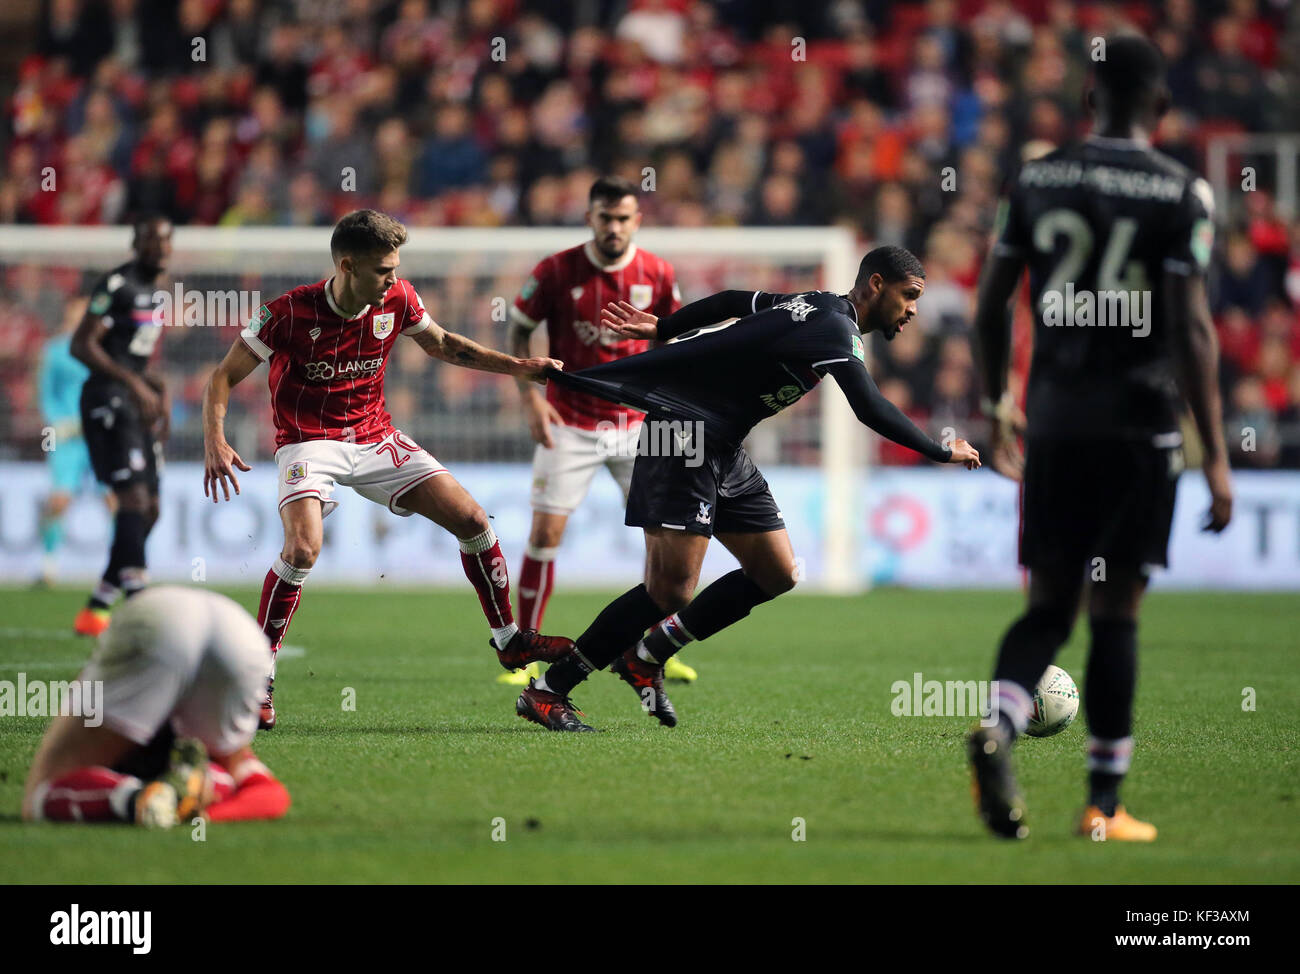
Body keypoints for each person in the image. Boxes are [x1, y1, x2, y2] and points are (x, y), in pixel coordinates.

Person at [513, 246, 981, 731]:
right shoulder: (834, 328)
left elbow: (735, 300)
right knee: (669, 590)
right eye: (909, 296)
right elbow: (869, 407)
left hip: (722, 445)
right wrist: (941, 450)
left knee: (775, 572)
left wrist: (663, 327)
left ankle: (646, 655)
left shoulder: (817, 303)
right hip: (681, 433)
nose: (912, 311)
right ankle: (550, 690)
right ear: (877, 284)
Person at [968, 35, 1233, 842]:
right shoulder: (1183, 192)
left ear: (1088, 100)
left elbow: (989, 306)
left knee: (1048, 606)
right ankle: (1102, 806)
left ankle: (999, 728)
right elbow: (1190, 327)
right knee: (1117, 612)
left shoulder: (1038, 180)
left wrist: (997, 401)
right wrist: (1215, 453)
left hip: (1053, 424)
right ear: (1160, 109)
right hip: (1139, 429)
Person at [202, 209, 574, 730]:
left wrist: (518, 367)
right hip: (308, 442)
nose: (393, 279)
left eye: (396, 268)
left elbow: (443, 345)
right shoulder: (287, 313)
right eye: (383, 270)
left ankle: (509, 640)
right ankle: (256, 676)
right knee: (303, 550)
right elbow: (221, 378)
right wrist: (215, 438)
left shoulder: (398, 299)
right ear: (348, 266)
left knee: (472, 520)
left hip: (376, 437)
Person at [502, 175, 695, 686]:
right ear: (590, 218)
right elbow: (518, 327)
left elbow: (675, 338)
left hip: (638, 425)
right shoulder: (556, 270)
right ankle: (524, 652)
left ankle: (653, 651)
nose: (614, 226)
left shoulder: (657, 272)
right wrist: (530, 397)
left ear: (637, 220)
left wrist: (668, 406)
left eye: (623, 217)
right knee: (545, 535)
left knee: (664, 538)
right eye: (605, 217)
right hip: (568, 418)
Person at [23, 586, 290, 827]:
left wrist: (142, 798)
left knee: (40, 793)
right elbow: (272, 795)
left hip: (162, 615)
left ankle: (134, 798)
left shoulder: (142, 736)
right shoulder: (193, 742)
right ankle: (204, 783)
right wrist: (203, 816)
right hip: (241, 634)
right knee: (235, 777)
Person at [70, 215, 173, 636]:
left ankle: (98, 605)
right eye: (152, 239)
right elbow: (82, 344)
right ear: (136, 243)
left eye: (166, 240)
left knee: (150, 510)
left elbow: (133, 361)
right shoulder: (117, 285)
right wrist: (133, 382)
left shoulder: (157, 294)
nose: (160, 247)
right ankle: (138, 606)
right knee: (131, 502)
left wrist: (158, 388)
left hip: (133, 404)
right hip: (107, 403)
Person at [36, 296, 115, 586]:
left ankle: (118, 564)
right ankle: (48, 562)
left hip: (101, 435)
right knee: (59, 500)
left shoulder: (105, 349)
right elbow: (47, 393)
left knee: (113, 499)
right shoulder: (55, 351)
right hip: (68, 438)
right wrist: (58, 421)